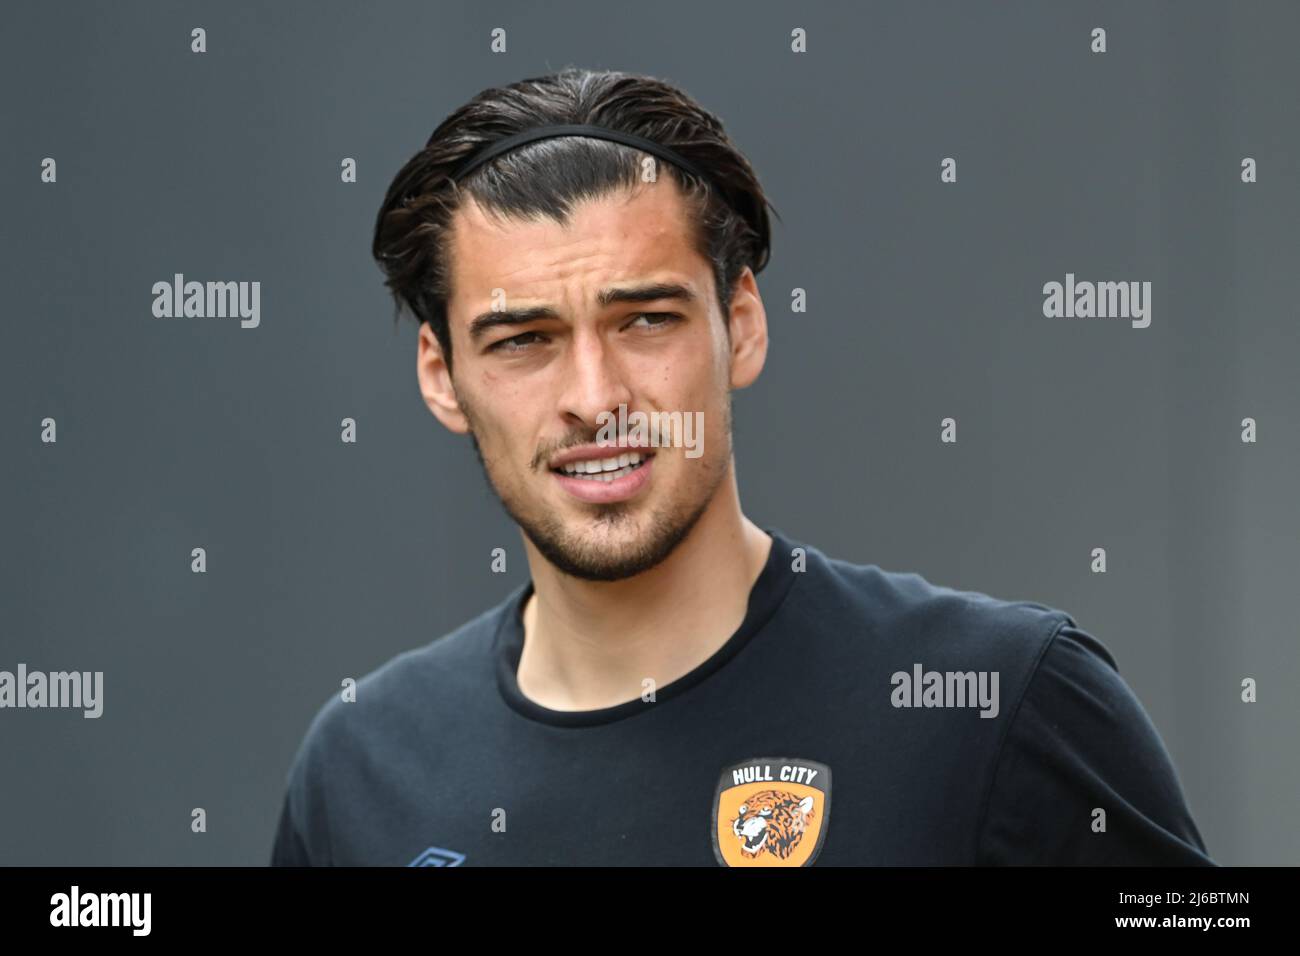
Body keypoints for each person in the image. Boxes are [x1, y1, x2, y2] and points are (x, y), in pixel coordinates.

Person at [271, 67, 1213, 867]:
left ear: (743, 325)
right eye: (523, 340)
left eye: (646, 320)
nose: (595, 398)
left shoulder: (1002, 700)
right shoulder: (360, 768)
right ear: (442, 377)